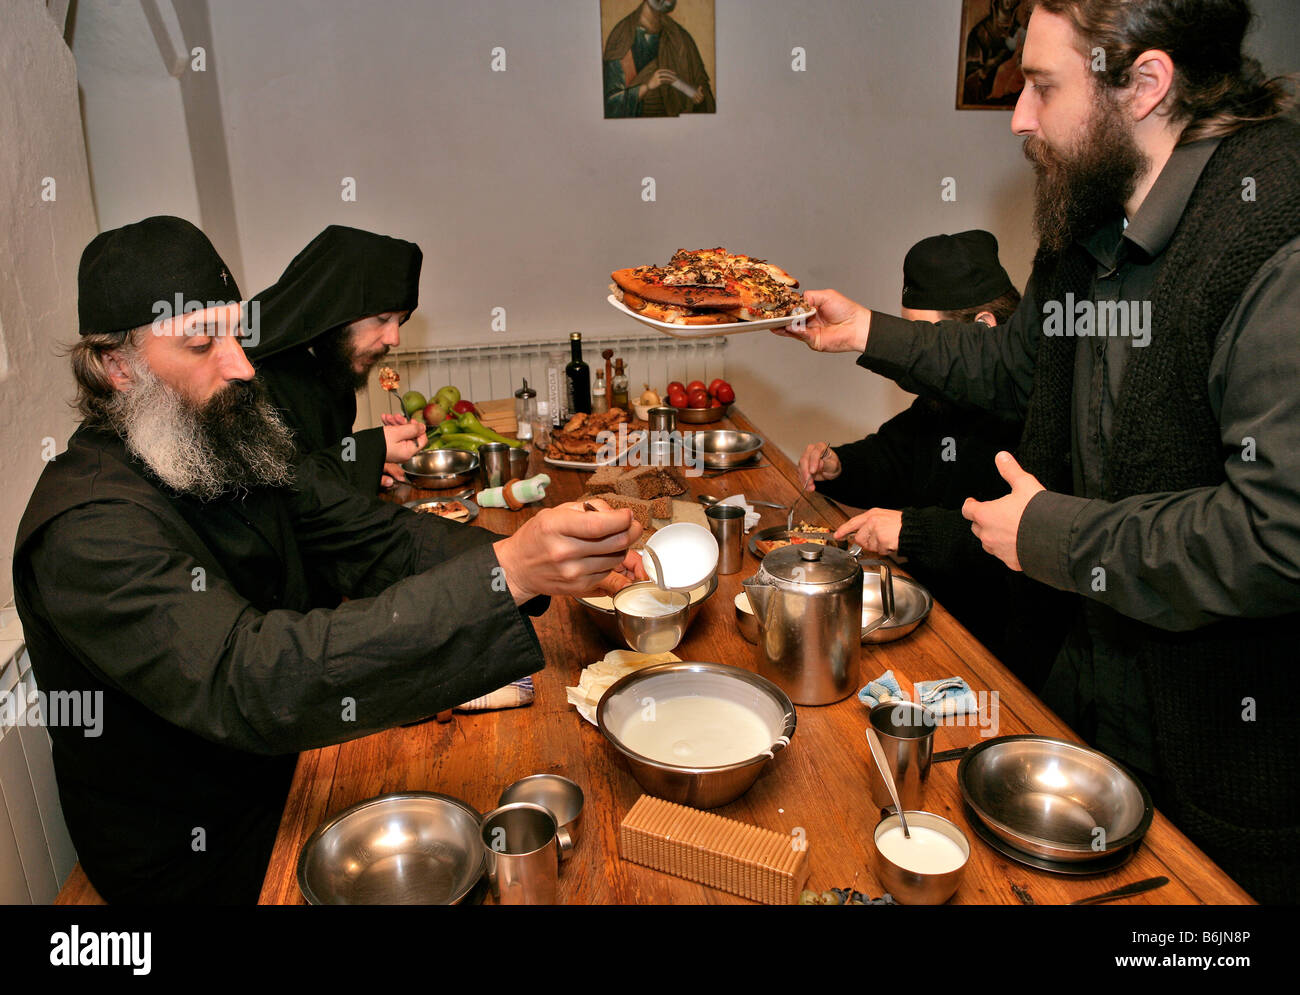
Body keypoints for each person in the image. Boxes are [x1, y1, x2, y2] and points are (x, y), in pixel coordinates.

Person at [778, 0, 1299, 902]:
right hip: (1094, 719)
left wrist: (1056, 537)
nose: (1018, 116)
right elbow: (1020, 370)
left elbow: (1277, 536)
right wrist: (866, 330)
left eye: (1042, 86)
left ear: (1144, 85)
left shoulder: (1272, 233)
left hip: (1231, 778)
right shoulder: (1091, 219)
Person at [12, 216, 645, 903]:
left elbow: (370, 536)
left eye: (236, 333)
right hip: (198, 852)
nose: (241, 365)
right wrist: (509, 573)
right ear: (118, 367)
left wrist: (550, 556)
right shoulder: (87, 529)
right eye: (202, 343)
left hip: (286, 759)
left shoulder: (217, 429)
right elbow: (250, 676)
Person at [797, 231, 1069, 684]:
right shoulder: (942, 402)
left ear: (983, 326)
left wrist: (912, 533)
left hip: (1005, 655)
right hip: (933, 618)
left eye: (926, 335)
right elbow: (897, 456)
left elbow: (1020, 550)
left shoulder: (1034, 411)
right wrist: (841, 466)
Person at [247, 225, 426, 493]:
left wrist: (365, 464)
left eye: (400, 320)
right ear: (335, 307)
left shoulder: (332, 361)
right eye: (382, 318)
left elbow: (321, 459)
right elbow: (286, 492)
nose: (394, 338)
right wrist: (372, 449)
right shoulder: (254, 380)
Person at [603, 0, 715, 118]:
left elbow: (704, 97)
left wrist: (697, 98)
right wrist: (646, 87)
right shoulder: (622, 37)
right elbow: (610, 106)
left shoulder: (680, 37)